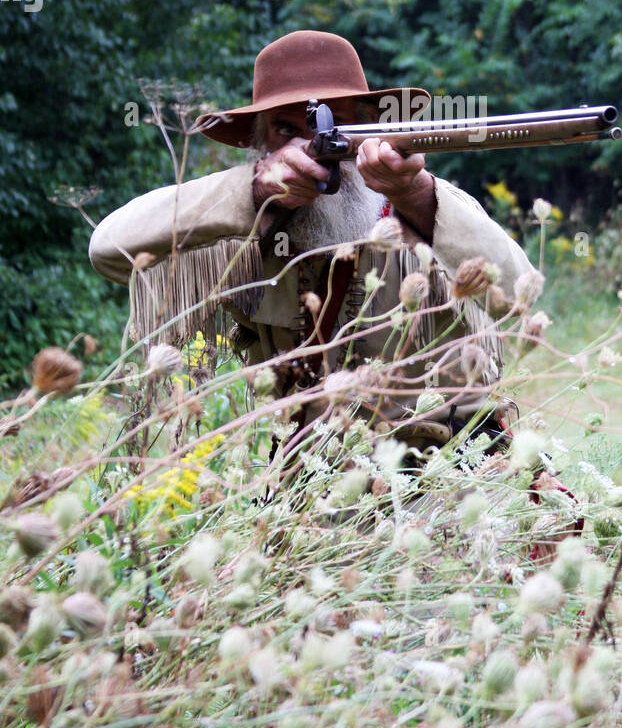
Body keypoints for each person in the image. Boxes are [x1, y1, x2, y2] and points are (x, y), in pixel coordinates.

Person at [88, 31, 537, 458]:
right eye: (287, 130)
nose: (313, 148)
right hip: (311, 498)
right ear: (261, 144)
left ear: (371, 130)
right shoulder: (238, 237)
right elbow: (107, 248)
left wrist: (415, 195)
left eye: (334, 124)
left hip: (447, 481)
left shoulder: (428, 209)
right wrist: (254, 192)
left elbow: (521, 296)